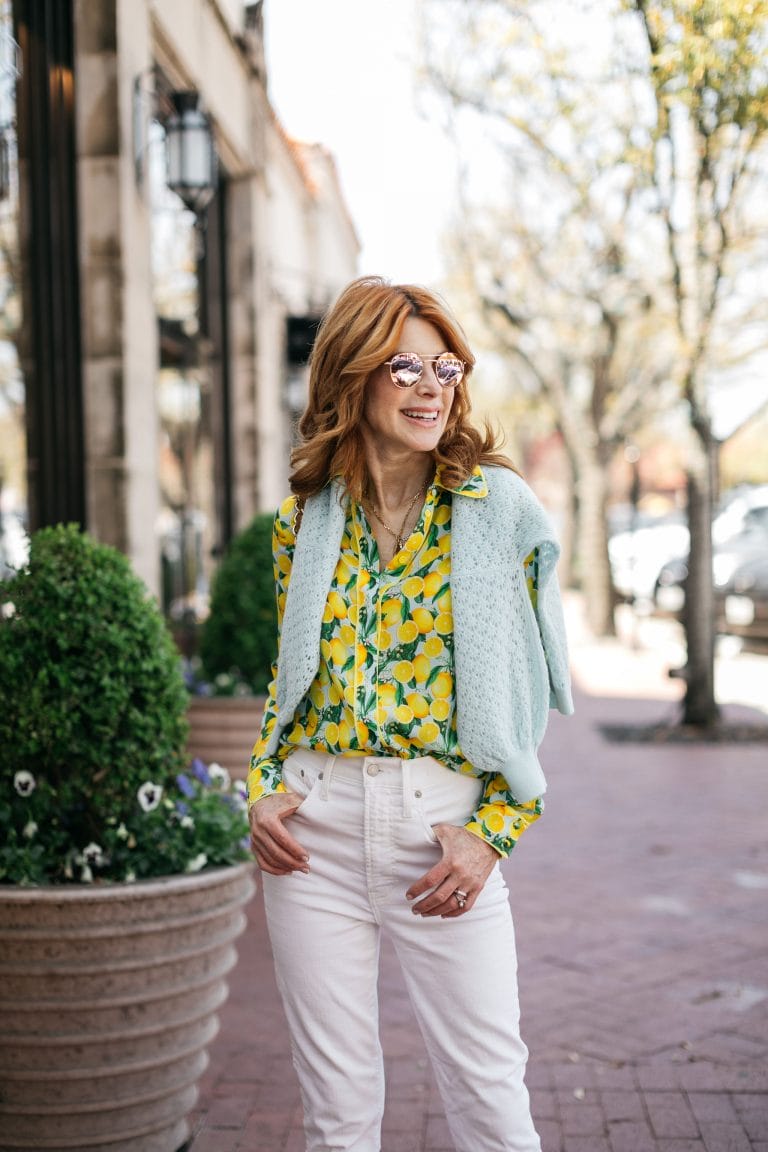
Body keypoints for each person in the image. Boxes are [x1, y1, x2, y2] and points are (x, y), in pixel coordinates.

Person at [247, 275, 573, 1152]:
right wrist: (262, 787)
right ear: (352, 377)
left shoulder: (494, 510)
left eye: (446, 367)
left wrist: (493, 831)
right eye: (404, 366)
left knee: (490, 1103)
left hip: (440, 827)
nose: (432, 387)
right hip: (312, 833)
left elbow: (523, 691)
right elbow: (291, 684)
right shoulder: (305, 520)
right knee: (337, 1115)